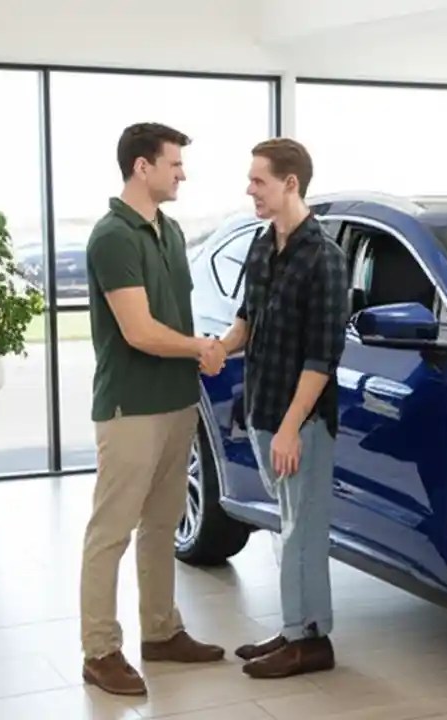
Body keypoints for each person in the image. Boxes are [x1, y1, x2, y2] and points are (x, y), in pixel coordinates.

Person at [79, 122, 229, 696]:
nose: (182, 173)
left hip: (176, 401)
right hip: (132, 407)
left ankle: (161, 631)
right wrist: (200, 349)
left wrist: (205, 347)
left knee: (163, 524)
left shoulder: (168, 231)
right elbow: (139, 330)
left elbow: (177, 315)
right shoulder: (113, 236)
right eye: (174, 164)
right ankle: (100, 649)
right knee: (110, 531)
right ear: (142, 167)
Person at [218, 137, 349, 679]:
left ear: (290, 183)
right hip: (264, 410)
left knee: (303, 529)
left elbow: (322, 358)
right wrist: (217, 349)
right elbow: (247, 321)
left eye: (258, 181)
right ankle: (297, 626)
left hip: (302, 422)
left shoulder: (325, 259)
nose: (249, 189)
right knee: (289, 525)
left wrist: (291, 428)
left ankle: (311, 642)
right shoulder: (261, 244)